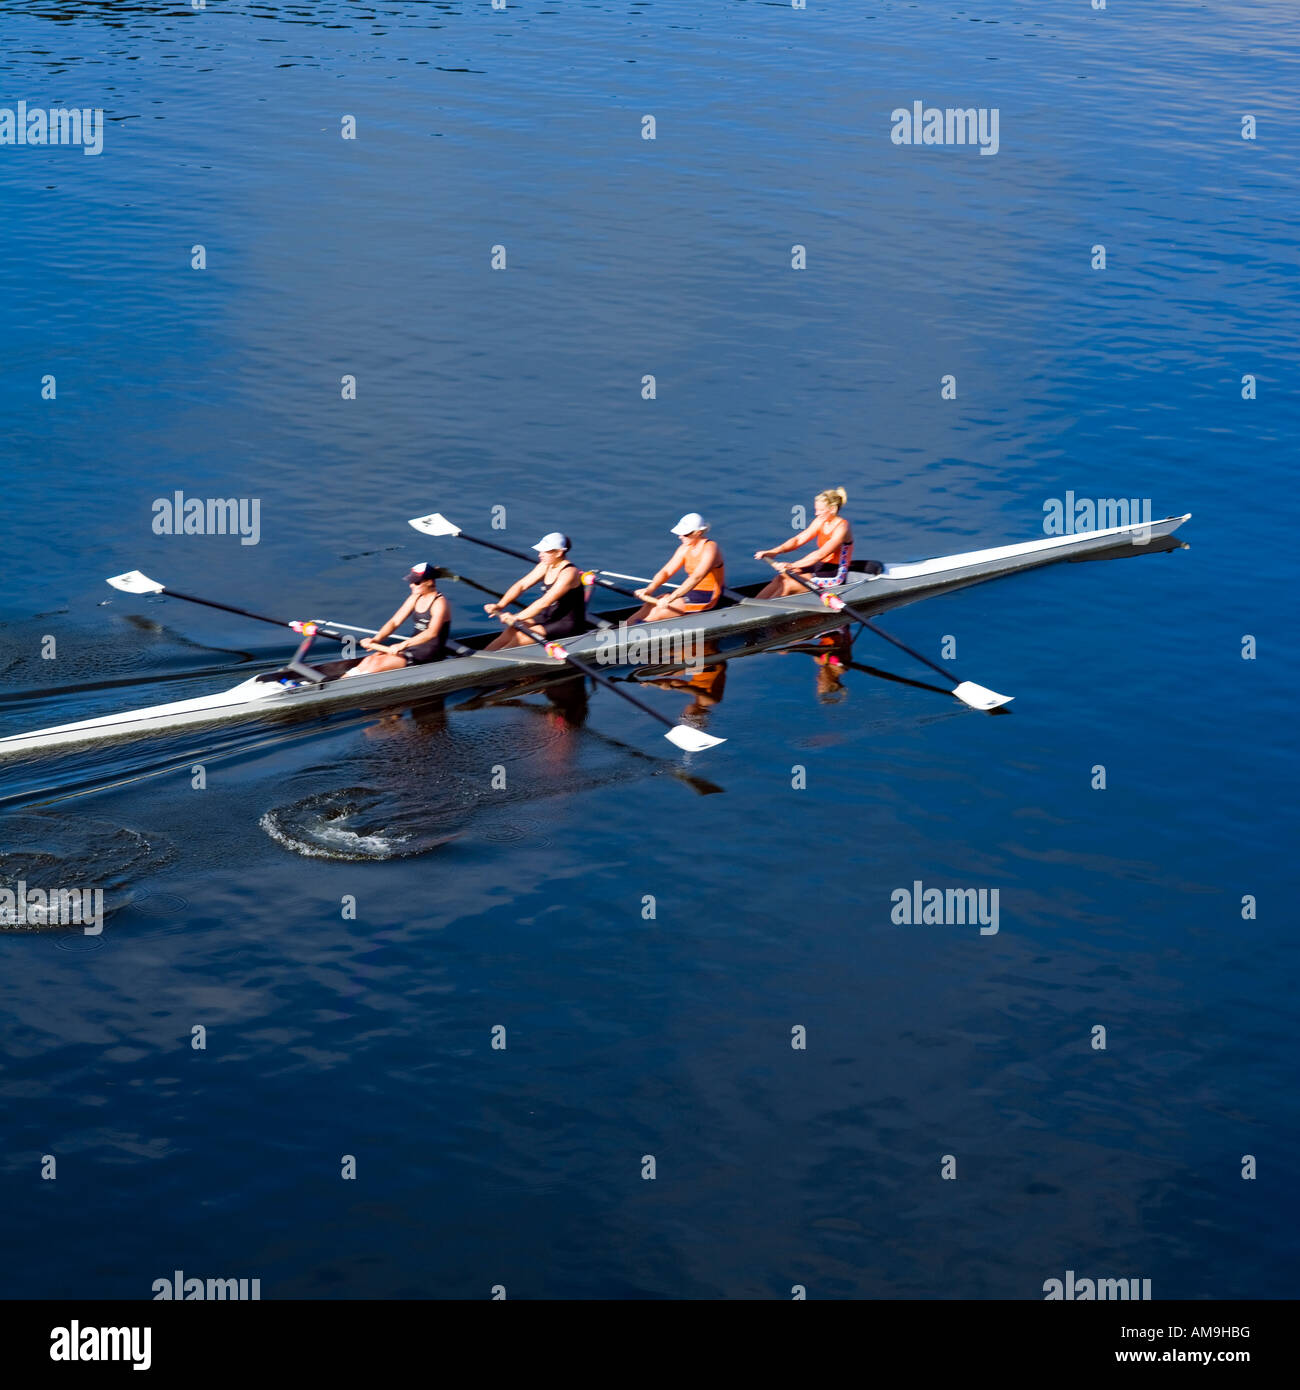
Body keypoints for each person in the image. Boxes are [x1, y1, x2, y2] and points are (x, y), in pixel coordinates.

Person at [484, 532, 589, 650]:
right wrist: (500, 605)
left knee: (522, 635)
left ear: (559, 552)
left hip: (567, 623)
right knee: (512, 629)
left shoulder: (569, 573)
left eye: (545, 551)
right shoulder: (545, 565)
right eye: (540, 551)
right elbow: (521, 585)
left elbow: (545, 602)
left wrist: (516, 617)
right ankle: (482, 656)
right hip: (548, 616)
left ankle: (493, 662)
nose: (540, 555)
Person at [342, 562, 450, 677]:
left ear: (429, 581)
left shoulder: (439, 603)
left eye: (416, 582)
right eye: (411, 581)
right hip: (412, 647)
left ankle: (346, 687)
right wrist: (376, 639)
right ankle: (338, 684)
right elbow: (394, 622)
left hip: (429, 654)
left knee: (376, 664)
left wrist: (402, 645)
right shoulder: (415, 597)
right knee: (370, 659)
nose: (411, 585)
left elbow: (431, 633)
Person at [754, 487, 854, 599]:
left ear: (832, 509)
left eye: (820, 510)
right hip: (820, 566)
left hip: (835, 573)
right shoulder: (821, 521)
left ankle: (766, 612)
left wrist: (791, 565)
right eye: (816, 509)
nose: (816, 513)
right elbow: (798, 540)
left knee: (788, 585)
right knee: (781, 578)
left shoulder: (842, 527)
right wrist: (774, 551)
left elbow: (820, 554)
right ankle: (750, 608)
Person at [629, 513, 725, 623]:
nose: (680, 536)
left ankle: (632, 632)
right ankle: (622, 628)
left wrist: (670, 598)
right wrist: (649, 589)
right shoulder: (685, 548)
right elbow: (666, 572)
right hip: (690, 590)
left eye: (684, 534)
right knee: (649, 605)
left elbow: (696, 577)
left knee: (660, 611)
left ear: (698, 533)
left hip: (709, 595)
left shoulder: (710, 547)